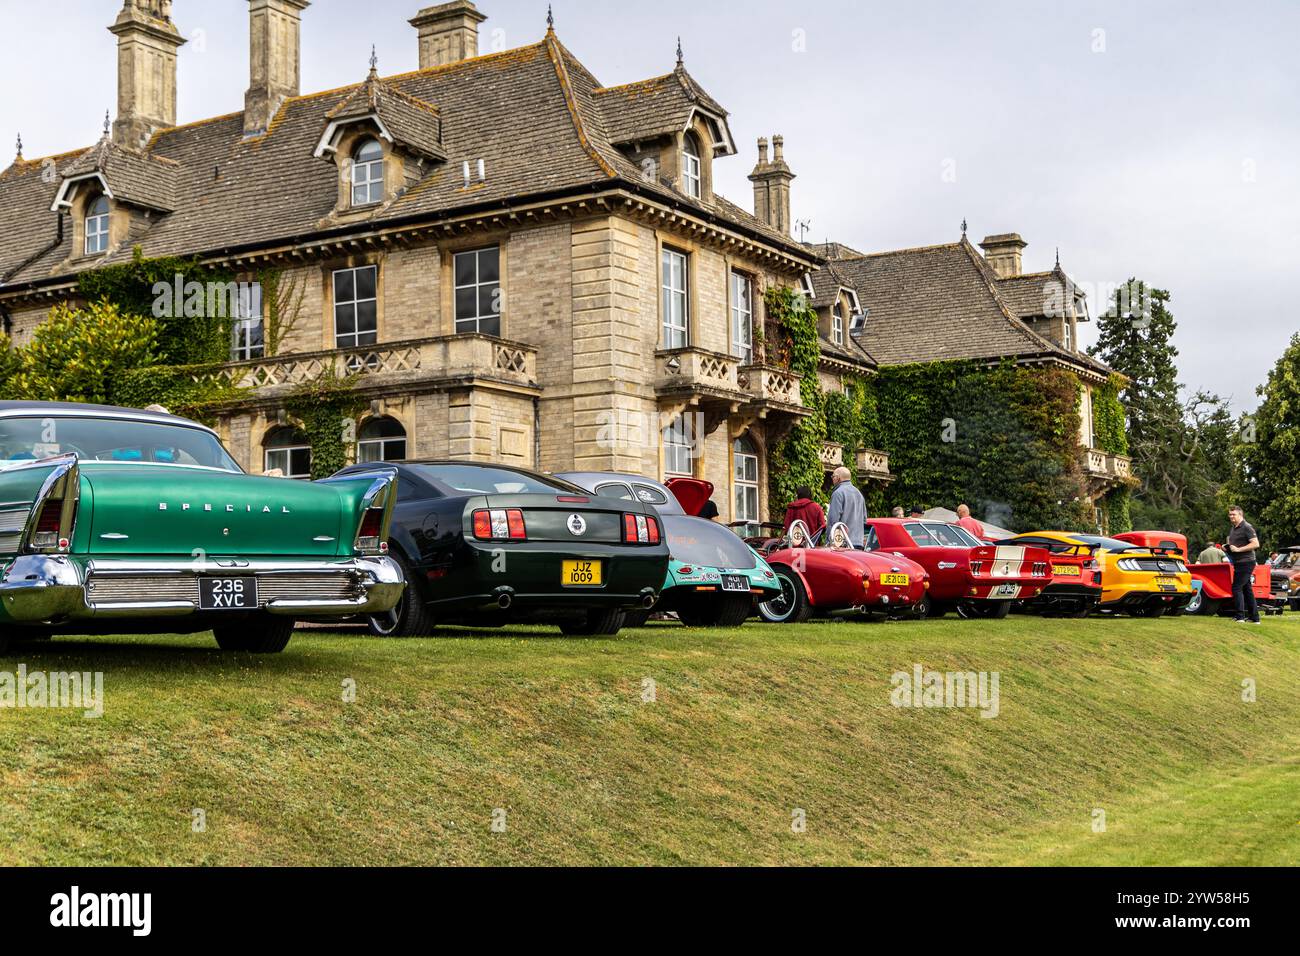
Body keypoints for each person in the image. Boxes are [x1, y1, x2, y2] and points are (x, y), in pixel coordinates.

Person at [1225, 506, 1261, 624]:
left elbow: (1255, 544)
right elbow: (1234, 547)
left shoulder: (1247, 527)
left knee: (1236, 587)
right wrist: (1228, 549)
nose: (1231, 517)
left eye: (1233, 514)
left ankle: (1240, 617)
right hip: (1239, 562)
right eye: (1230, 514)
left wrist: (1239, 550)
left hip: (1246, 561)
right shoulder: (1234, 528)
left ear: (1240, 515)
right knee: (1247, 589)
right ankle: (1254, 618)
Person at [826, 466, 866, 548]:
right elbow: (864, 519)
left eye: (833, 476)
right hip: (858, 542)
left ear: (838, 478)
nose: (832, 479)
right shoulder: (859, 494)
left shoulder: (838, 493)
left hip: (842, 543)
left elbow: (833, 520)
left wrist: (828, 541)